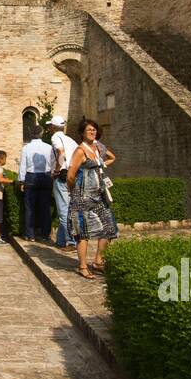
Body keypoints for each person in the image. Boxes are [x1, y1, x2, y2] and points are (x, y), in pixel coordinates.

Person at [66, 119, 117, 279]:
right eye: (89, 130)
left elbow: (112, 157)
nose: (92, 132)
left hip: (99, 196)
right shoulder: (80, 151)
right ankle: (82, 266)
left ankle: (98, 262)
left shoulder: (98, 147)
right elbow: (70, 175)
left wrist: (102, 166)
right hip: (82, 197)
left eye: (94, 130)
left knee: (109, 228)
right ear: (82, 133)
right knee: (83, 232)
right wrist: (74, 191)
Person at [17, 128, 54, 241]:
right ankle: (45, 234)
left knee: (30, 207)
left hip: (31, 176)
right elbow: (53, 163)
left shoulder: (26, 148)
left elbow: (23, 165)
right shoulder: (49, 147)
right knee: (45, 206)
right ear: (42, 134)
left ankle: (30, 234)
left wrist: (22, 180)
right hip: (46, 175)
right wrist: (52, 176)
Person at [48, 116, 78, 249]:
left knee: (64, 211)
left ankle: (72, 242)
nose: (49, 128)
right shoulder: (70, 140)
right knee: (66, 209)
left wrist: (57, 169)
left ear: (53, 128)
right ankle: (61, 241)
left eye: (50, 126)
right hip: (73, 176)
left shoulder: (55, 137)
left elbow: (61, 153)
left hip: (62, 176)